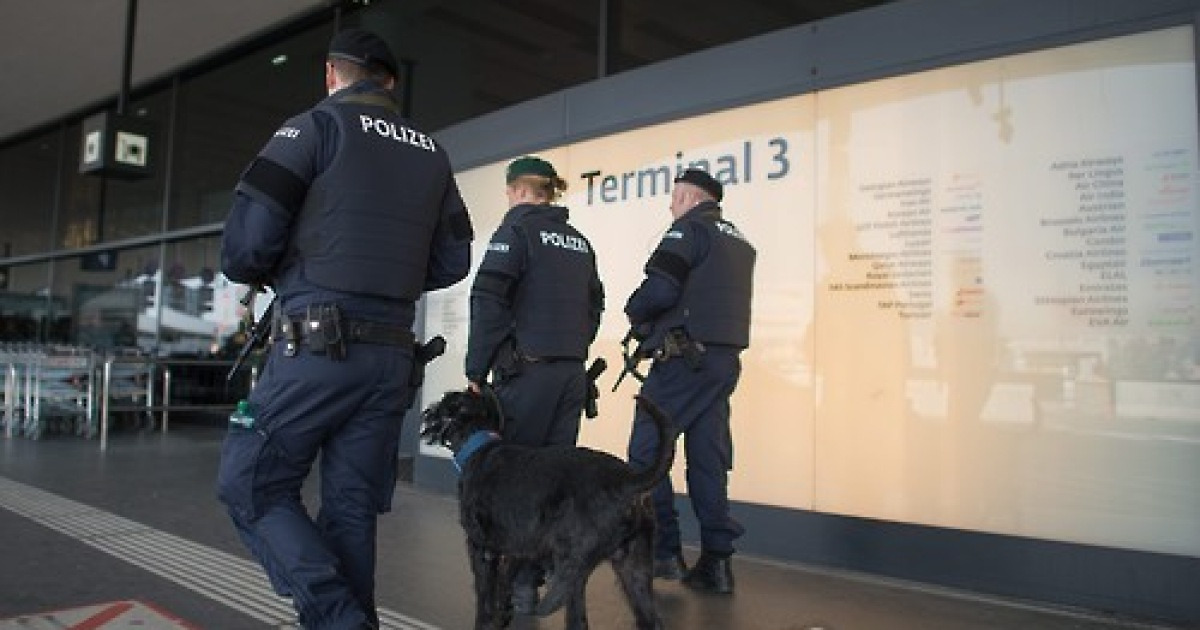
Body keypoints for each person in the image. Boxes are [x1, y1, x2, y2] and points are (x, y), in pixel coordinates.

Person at [216, 28, 473, 629]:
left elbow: (246, 248)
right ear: (389, 81)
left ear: (332, 74)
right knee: (351, 509)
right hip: (389, 360)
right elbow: (453, 260)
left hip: (315, 349)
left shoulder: (312, 128)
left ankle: (339, 620)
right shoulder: (431, 151)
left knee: (248, 484)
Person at [463, 155, 604, 613]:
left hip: (528, 379)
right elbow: (596, 307)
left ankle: (514, 589)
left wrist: (476, 369)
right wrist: (573, 351)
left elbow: (487, 300)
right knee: (552, 484)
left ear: (518, 190)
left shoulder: (516, 232)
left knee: (517, 485)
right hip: (570, 378)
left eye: (508, 192)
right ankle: (531, 581)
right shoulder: (580, 242)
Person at [624, 168, 755, 594]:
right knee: (707, 459)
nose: (670, 206)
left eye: (673, 197)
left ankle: (665, 554)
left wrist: (635, 312)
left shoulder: (688, 231)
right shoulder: (738, 241)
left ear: (686, 196)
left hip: (683, 363)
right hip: (720, 365)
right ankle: (717, 562)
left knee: (647, 451)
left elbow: (660, 292)